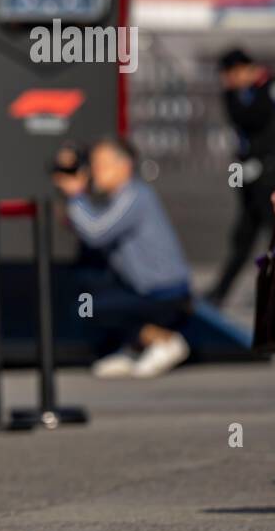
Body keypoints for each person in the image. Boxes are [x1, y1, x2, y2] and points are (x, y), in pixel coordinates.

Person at [53, 137, 192, 378]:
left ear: (125, 165)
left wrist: (76, 195)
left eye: (101, 165)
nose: (94, 172)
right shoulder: (117, 199)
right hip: (142, 290)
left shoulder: (134, 196)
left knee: (89, 307)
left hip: (165, 295)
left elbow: (96, 232)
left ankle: (165, 341)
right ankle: (136, 347)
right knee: (86, 287)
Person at [205, 48, 275, 306]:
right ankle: (219, 293)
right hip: (250, 180)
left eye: (229, 74)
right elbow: (240, 123)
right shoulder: (233, 95)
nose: (226, 81)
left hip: (274, 179)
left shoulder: (272, 89)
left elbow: (272, 129)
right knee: (244, 238)